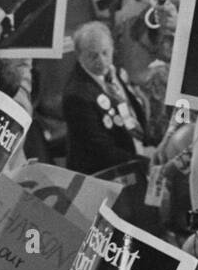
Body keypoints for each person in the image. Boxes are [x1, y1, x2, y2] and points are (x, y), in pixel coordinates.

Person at [63, 22, 151, 175]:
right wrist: (145, 161)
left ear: (112, 48)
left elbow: (131, 112)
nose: (102, 61)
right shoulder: (76, 96)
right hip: (105, 173)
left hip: (133, 151)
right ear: (79, 56)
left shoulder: (111, 71)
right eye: (93, 56)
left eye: (105, 53)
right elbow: (102, 152)